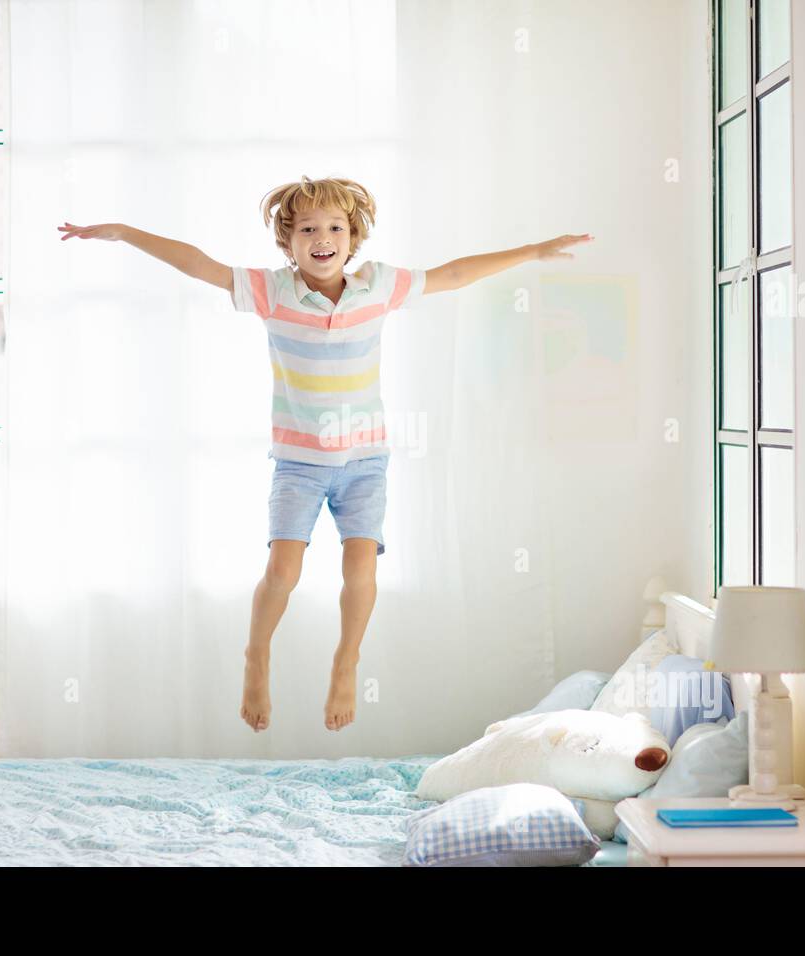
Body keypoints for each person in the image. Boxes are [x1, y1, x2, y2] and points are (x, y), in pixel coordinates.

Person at [58, 175, 591, 733]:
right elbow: (199, 264)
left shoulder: (379, 285)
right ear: (288, 241)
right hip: (300, 463)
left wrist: (532, 251)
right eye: (307, 228)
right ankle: (256, 657)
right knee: (283, 571)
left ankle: (346, 662)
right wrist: (123, 233)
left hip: (365, 461)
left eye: (335, 226)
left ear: (353, 236)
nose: (322, 237)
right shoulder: (272, 292)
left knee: (360, 564)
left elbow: (455, 274)